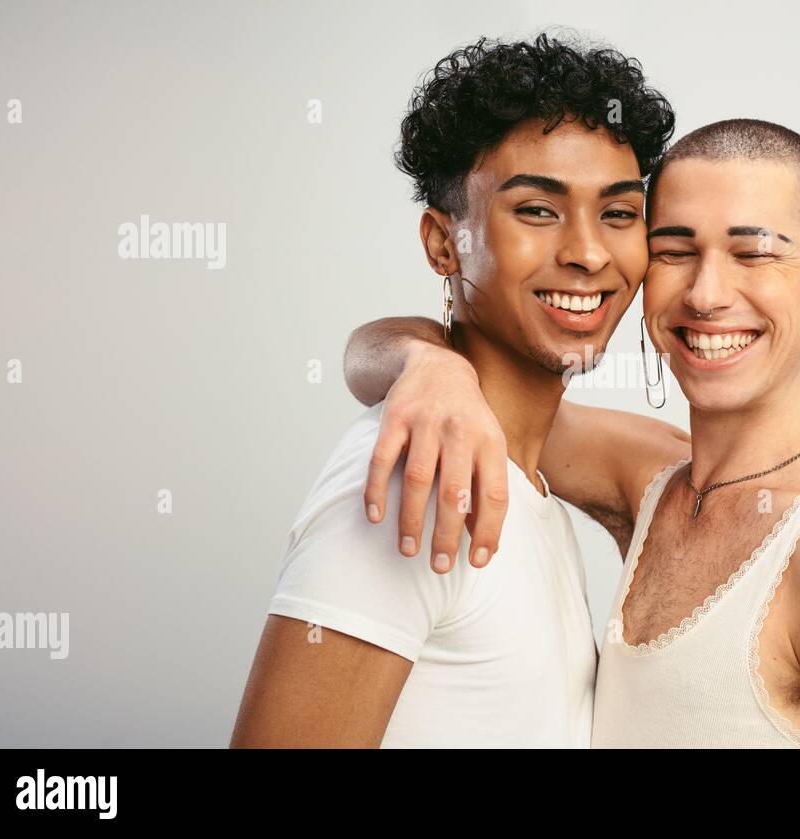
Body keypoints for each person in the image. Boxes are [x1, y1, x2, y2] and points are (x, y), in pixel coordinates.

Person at [346, 118, 800, 747]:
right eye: (674, 251)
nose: (706, 295)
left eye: (753, 253)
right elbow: (481, 400)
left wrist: (432, 370)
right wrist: (427, 364)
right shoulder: (648, 476)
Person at [230, 33, 678, 747]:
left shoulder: (527, 477)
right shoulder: (417, 474)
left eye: (619, 213)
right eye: (536, 210)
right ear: (444, 244)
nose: (589, 252)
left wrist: (422, 358)